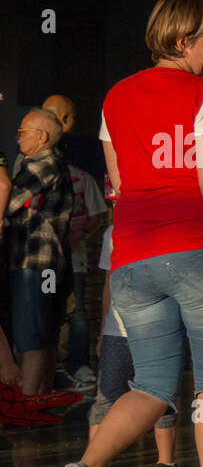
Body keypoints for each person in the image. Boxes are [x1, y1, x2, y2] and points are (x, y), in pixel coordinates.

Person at [50, 0, 203, 467]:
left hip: (132, 255)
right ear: (184, 40)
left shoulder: (116, 96)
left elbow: (118, 183)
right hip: (197, 249)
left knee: (151, 385)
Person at [90, 212, 183, 467]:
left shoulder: (167, 226)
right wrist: (102, 329)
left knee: (162, 396)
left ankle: (166, 464)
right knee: (106, 396)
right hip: (117, 330)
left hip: (158, 326)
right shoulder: (112, 233)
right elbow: (108, 283)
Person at [8, 108, 75, 396]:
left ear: (41, 136)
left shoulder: (40, 165)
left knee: (32, 334)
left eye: (22, 133)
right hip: (48, 266)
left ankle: (29, 402)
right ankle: (41, 397)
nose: (18, 138)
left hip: (32, 264)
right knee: (44, 330)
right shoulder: (57, 164)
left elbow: (8, 204)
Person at [43, 95, 108, 390]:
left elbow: (96, 214)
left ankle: (77, 365)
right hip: (43, 261)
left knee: (76, 310)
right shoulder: (30, 169)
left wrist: (78, 235)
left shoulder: (79, 173)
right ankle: (47, 369)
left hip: (73, 259)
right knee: (46, 308)